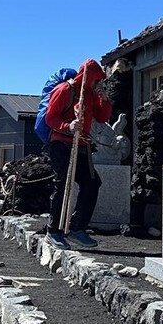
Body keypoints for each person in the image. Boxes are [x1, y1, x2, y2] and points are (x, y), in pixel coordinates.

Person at [43, 58, 112, 249]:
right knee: (63, 183)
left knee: (91, 183)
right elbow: (50, 117)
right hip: (60, 143)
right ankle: (53, 231)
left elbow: (101, 117)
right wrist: (68, 126)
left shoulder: (90, 93)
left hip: (81, 144)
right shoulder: (65, 90)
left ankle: (77, 227)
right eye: (96, 79)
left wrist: (104, 100)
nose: (98, 83)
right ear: (87, 77)